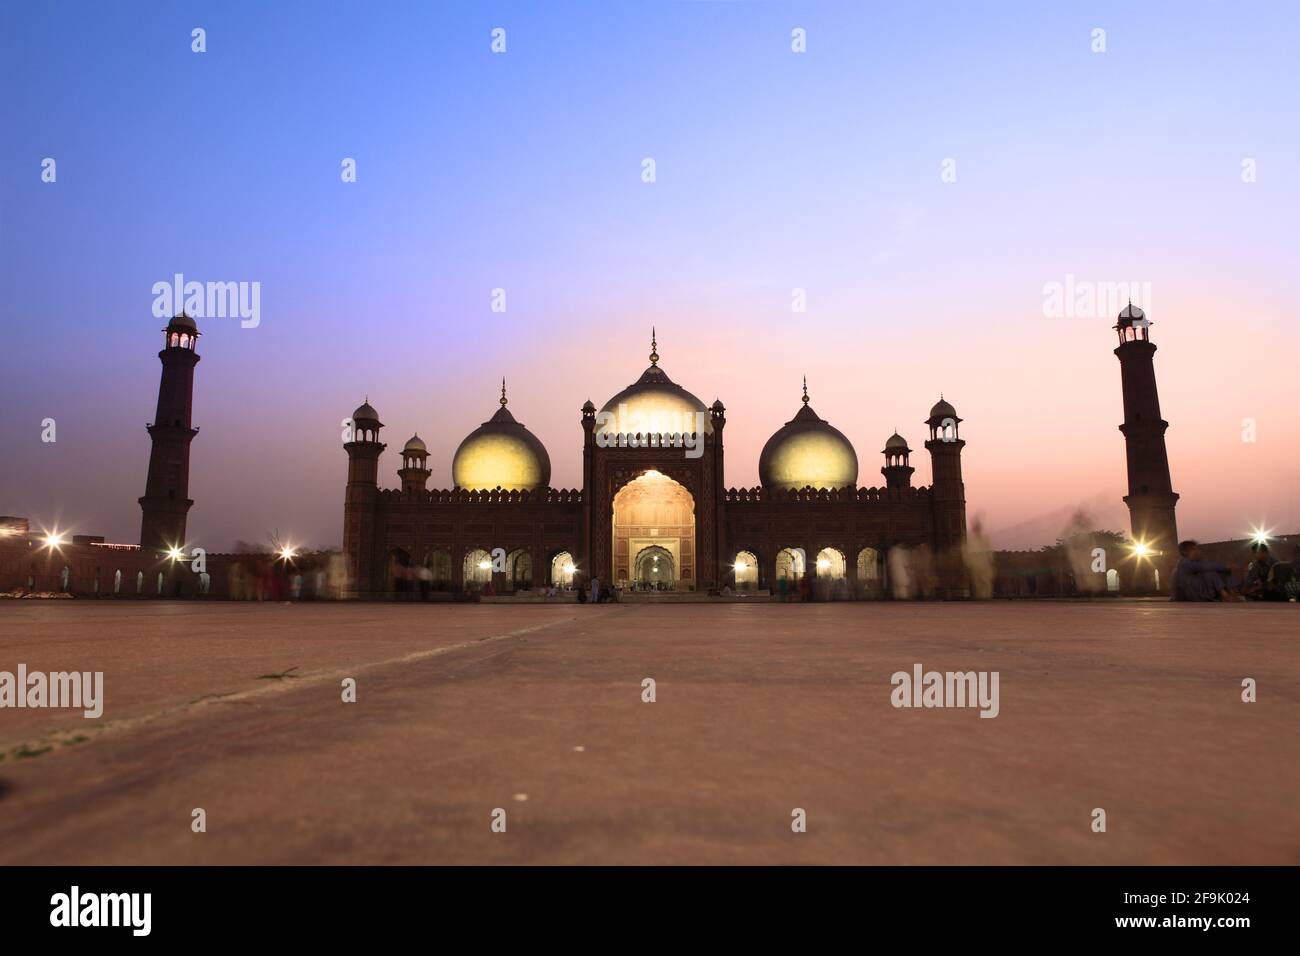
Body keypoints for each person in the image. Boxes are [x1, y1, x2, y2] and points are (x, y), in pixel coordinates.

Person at [1171, 540, 1240, 602]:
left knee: (1223, 571)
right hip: (1192, 595)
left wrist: (1226, 568)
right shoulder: (1184, 563)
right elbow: (1205, 566)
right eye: (1193, 549)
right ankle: (1225, 596)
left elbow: (1207, 565)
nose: (1197, 551)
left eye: (1197, 549)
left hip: (1199, 593)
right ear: (1184, 552)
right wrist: (1225, 567)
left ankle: (1232, 593)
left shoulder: (1196, 562)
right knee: (1210, 571)